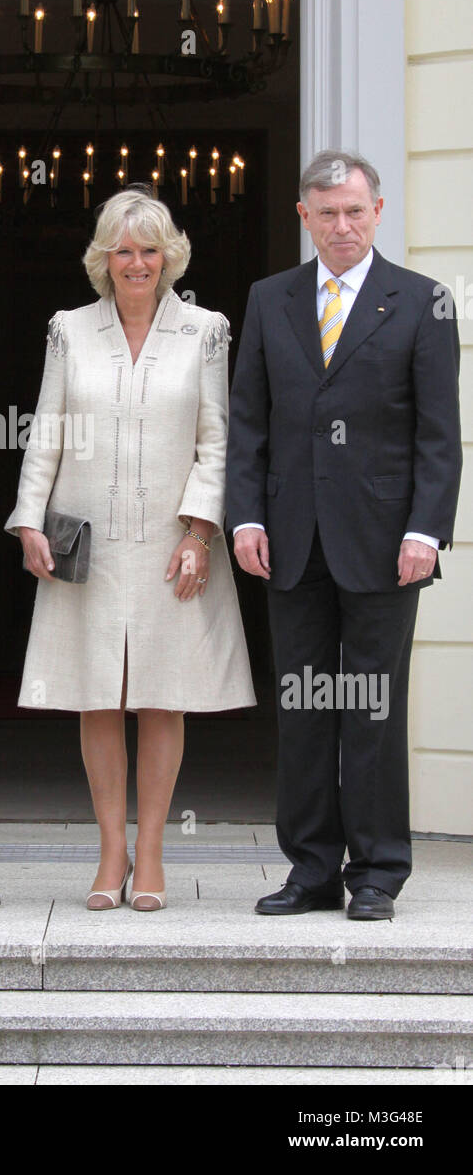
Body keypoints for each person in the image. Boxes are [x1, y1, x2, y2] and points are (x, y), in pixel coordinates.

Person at [226, 150, 462, 920]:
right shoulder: (270, 299)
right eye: (326, 213)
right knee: (303, 707)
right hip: (291, 539)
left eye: (355, 211)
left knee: (372, 708)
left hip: (388, 544)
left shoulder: (423, 301)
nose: (342, 226)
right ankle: (311, 870)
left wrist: (427, 531)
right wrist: (247, 516)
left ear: (378, 212)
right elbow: (249, 421)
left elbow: (439, 436)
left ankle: (377, 873)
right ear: (305, 217)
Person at [6, 188, 255, 911]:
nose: (137, 262)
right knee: (96, 699)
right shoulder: (68, 330)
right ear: (104, 258)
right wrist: (28, 521)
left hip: (174, 547)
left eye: (149, 250)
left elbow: (218, 440)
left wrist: (199, 532)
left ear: (169, 256)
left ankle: (151, 855)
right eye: (124, 249)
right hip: (87, 543)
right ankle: (110, 848)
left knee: (162, 698)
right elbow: (45, 431)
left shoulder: (205, 330)